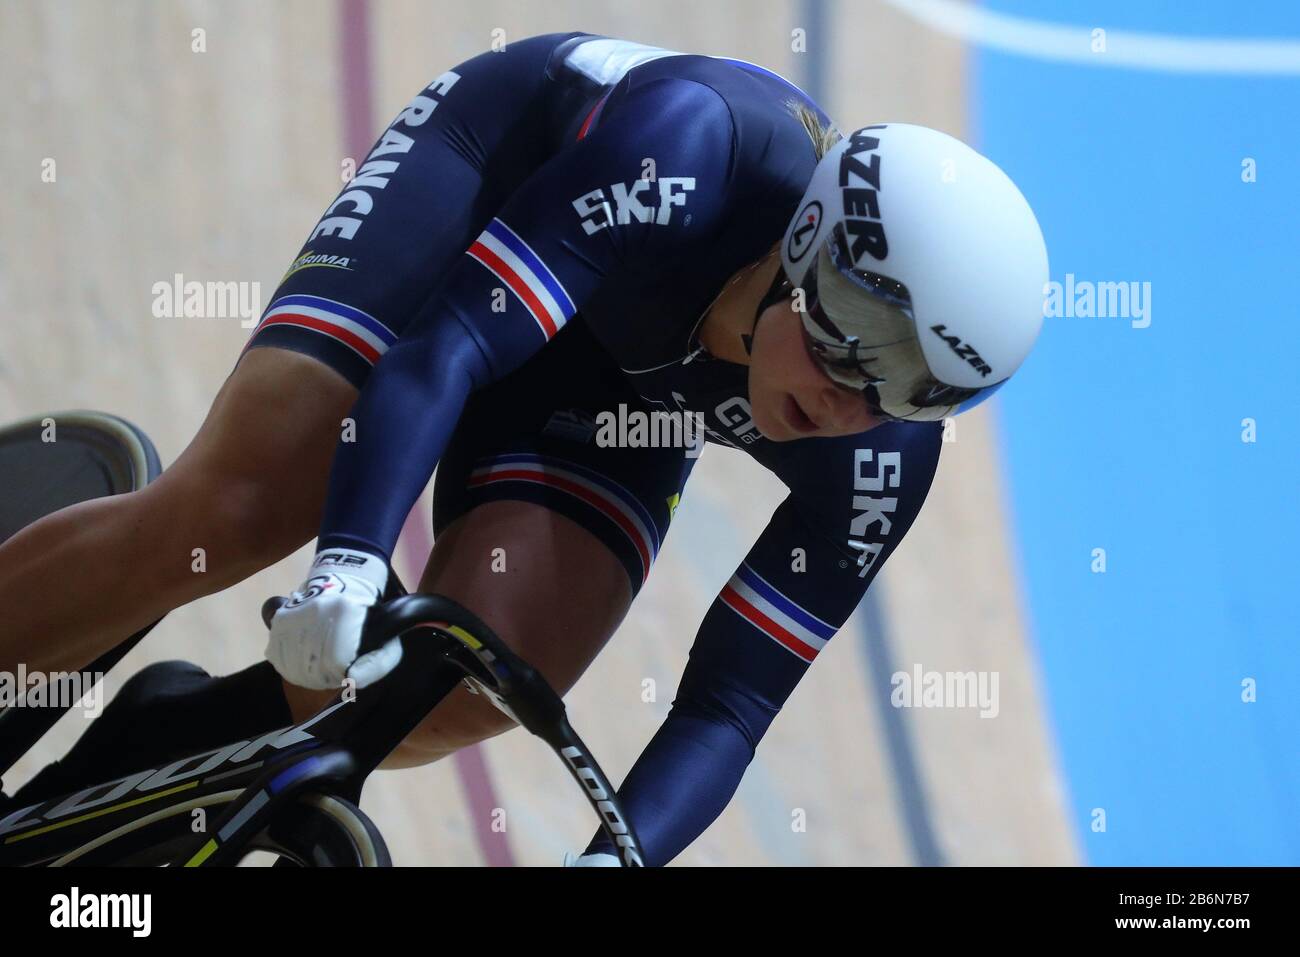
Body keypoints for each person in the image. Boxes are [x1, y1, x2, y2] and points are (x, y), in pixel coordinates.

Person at [0, 33, 1047, 865]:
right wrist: (351, 558)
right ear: (807, 245)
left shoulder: (882, 459)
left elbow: (731, 703)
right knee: (243, 509)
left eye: (909, 390)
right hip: (498, 189)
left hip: (623, 379)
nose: (853, 400)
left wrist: (619, 857)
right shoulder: (689, 151)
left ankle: (149, 760)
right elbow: (443, 349)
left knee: (456, 680)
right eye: (851, 340)